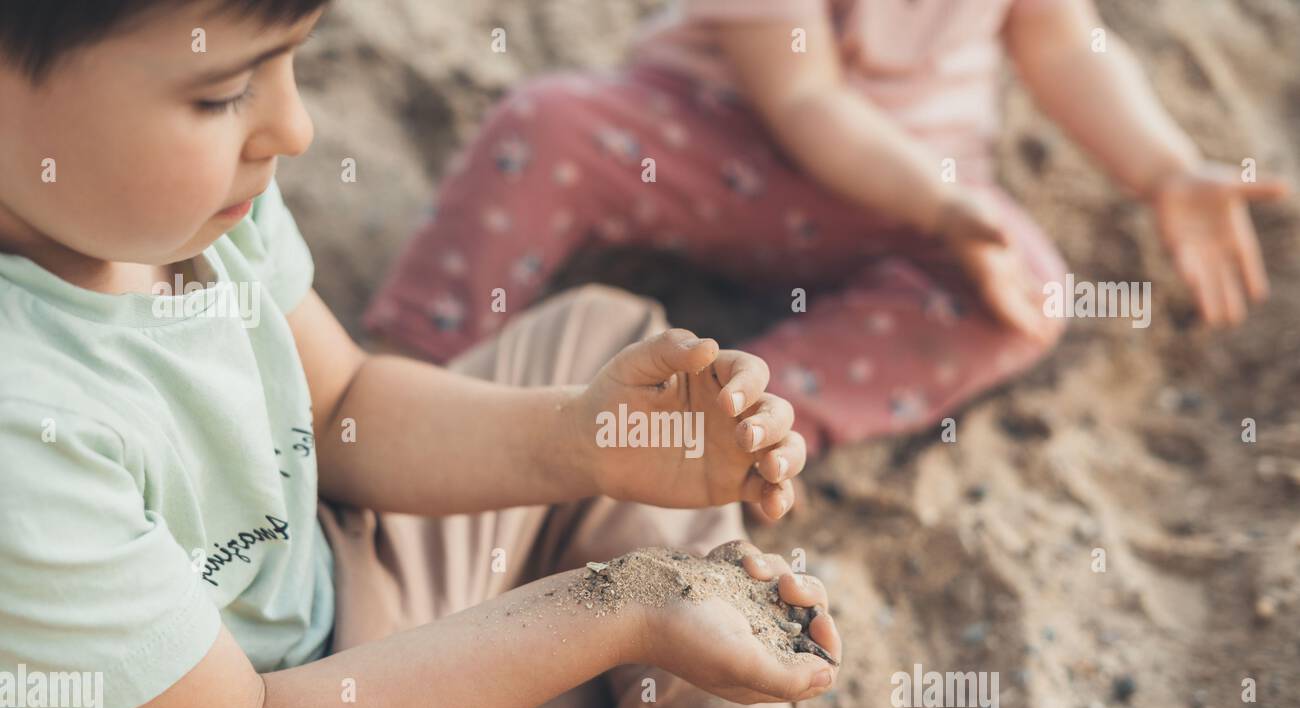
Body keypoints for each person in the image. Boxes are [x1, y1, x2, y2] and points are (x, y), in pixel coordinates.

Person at [0, 0, 1039, 708]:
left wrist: (579, 440)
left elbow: (346, 403)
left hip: (330, 597)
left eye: (290, 66)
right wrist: (618, 602)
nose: (293, 128)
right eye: (222, 92)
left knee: (601, 340)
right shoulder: (21, 429)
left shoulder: (179, 214)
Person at [362, 0, 1288, 454]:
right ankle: (410, 371)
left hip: (900, 199)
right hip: (713, 138)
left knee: (1020, 293)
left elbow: (1062, 40)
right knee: (548, 122)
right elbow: (803, 94)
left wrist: (1166, 169)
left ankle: (732, 431)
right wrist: (939, 200)